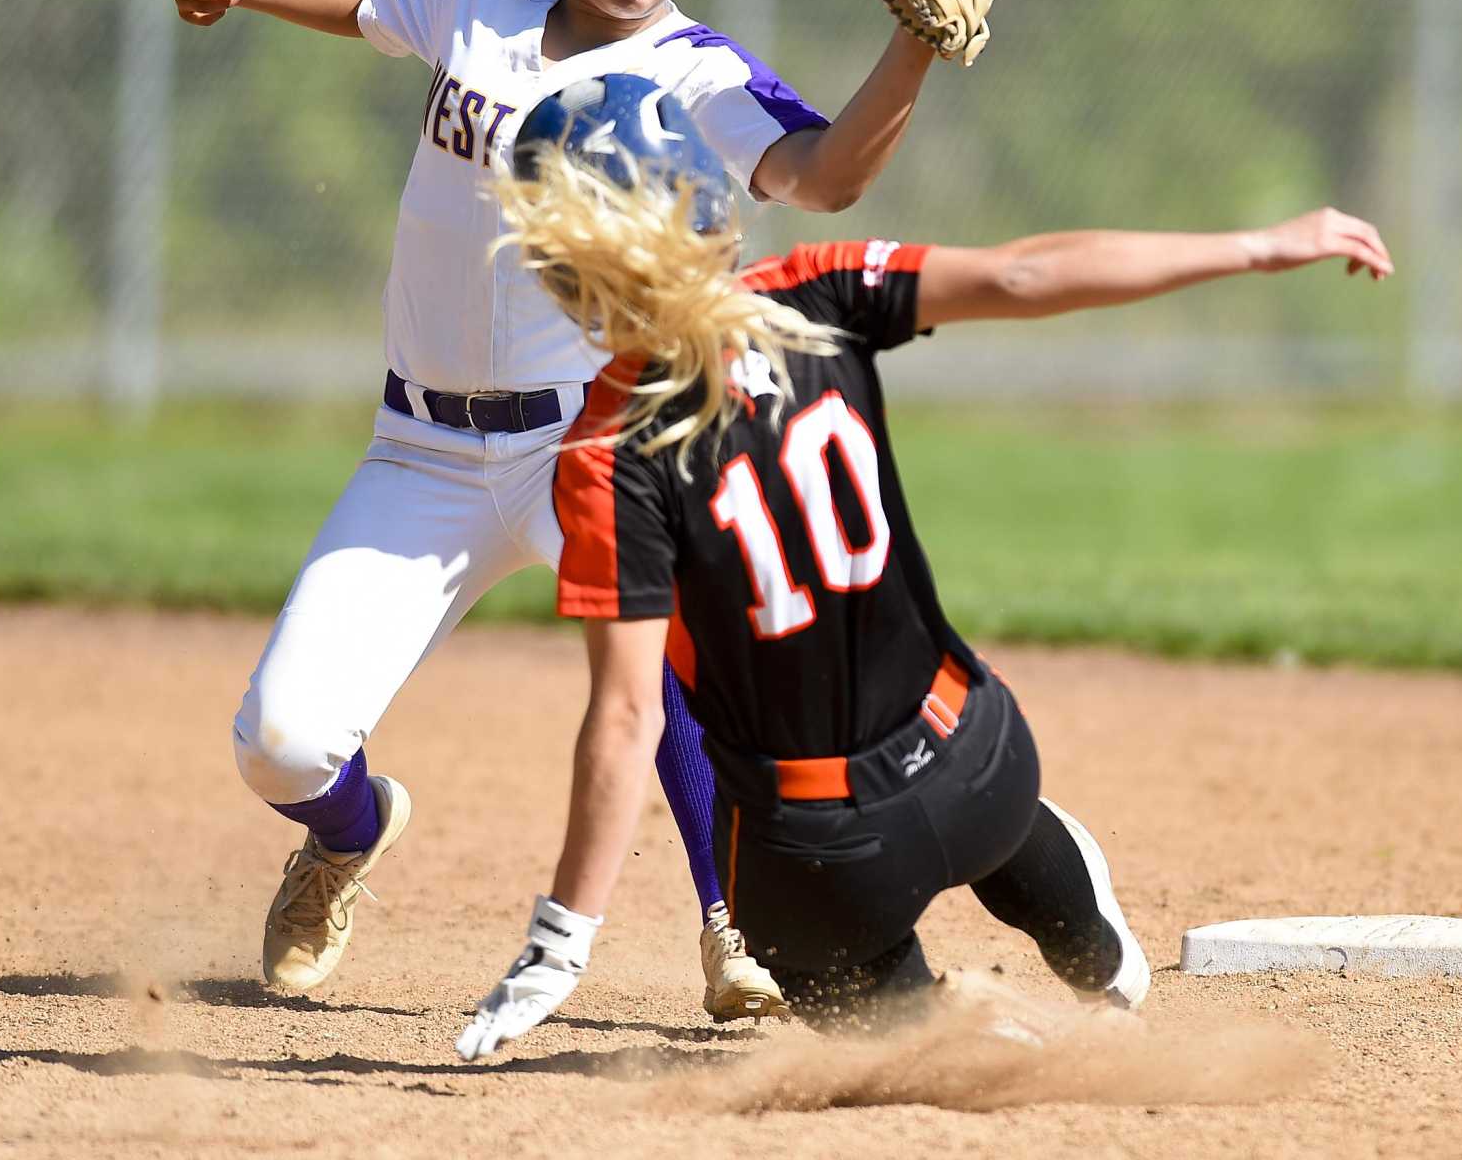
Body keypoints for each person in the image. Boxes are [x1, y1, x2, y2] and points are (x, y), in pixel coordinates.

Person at [170, 0, 945, 1016]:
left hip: (590, 442)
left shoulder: (700, 78)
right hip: (421, 451)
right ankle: (345, 837)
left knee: (693, 668)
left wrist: (914, 45)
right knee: (281, 744)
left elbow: (825, 176)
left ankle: (732, 928)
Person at [454, 73, 1394, 1056]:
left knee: (857, 1002)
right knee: (1000, 816)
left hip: (817, 855)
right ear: (708, 200)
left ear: (557, 269)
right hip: (973, 760)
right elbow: (1028, 276)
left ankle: (957, 1034)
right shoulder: (815, 292)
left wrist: (561, 940)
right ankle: (1088, 947)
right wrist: (1255, 246)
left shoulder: (603, 453)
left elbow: (627, 715)